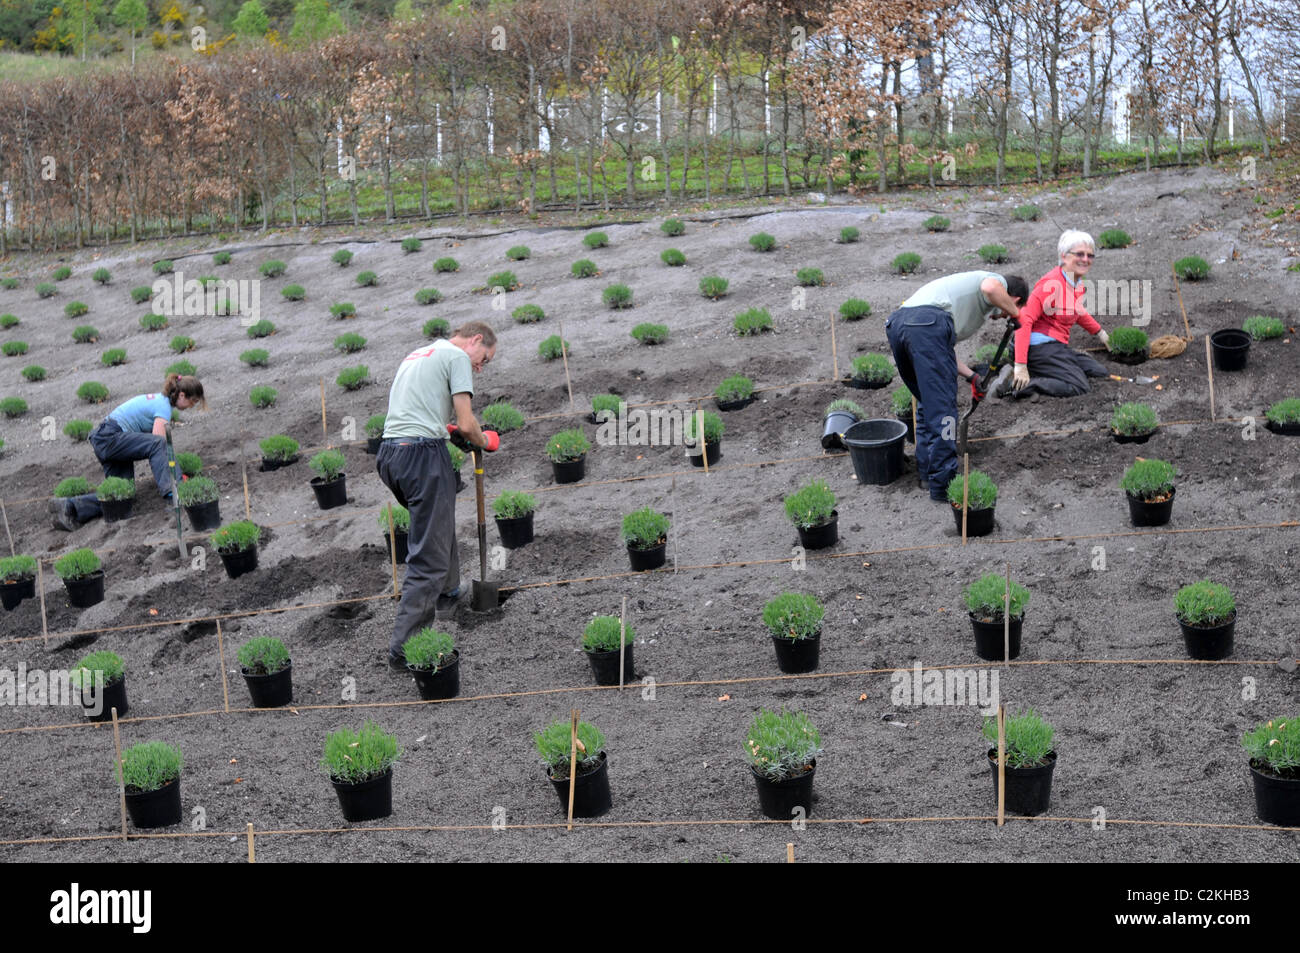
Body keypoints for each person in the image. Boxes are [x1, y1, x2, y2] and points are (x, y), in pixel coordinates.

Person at [377, 321, 500, 671]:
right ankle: (404, 652)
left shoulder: (419, 353)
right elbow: (466, 423)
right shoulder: (457, 358)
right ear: (475, 340)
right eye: (484, 359)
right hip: (420, 457)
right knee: (428, 557)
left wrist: (443, 430)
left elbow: (417, 410)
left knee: (437, 522)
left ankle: (448, 593)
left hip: (391, 456)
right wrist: (483, 440)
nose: (479, 367)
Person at [885, 271, 1028, 502]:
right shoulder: (997, 282)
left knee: (926, 404)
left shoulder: (951, 301)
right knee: (944, 413)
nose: (1001, 318)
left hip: (898, 325)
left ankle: (927, 475)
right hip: (924, 329)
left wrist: (972, 378)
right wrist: (1015, 313)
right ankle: (944, 486)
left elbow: (942, 351)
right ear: (1015, 299)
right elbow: (991, 289)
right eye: (1005, 312)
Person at [50, 373, 206, 531]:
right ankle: (175, 494)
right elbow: (160, 443)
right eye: (192, 401)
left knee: (122, 495)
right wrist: (177, 479)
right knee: (159, 444)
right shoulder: (163, 407)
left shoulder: (158, 400)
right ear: (181, 395)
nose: (191, 406)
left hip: (105, 438)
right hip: (111, 437)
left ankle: (70, 507)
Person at [998, 230, 1110, 398]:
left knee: (1099, 372)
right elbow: (1023, 321)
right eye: (1079, 254)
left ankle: (1044, 370)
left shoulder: (1076, 282)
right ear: (1064, 256)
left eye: (1090, 255)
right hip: (1036, 348)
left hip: (1056, 347)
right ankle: (1019, 384)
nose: (1085, 259)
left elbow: (1077, 311)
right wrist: (1020, 365)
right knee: (1078, 385)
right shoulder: (1050, 284)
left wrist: (1101, 333)